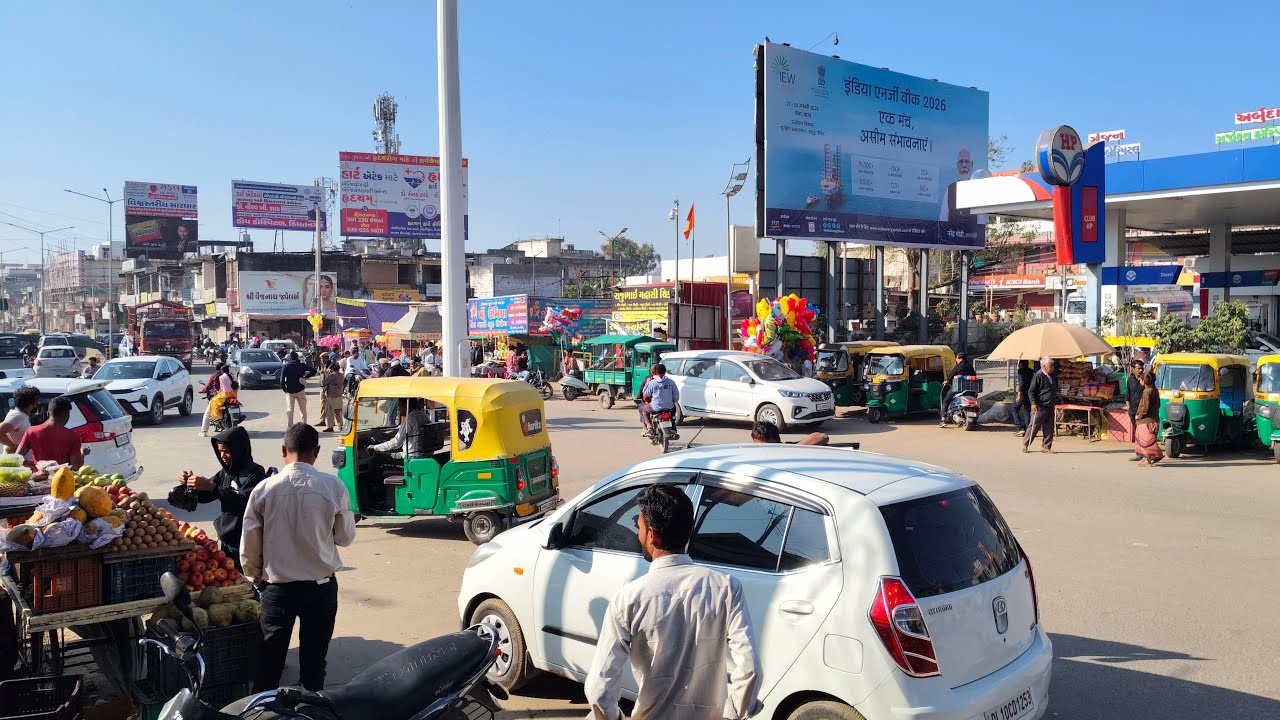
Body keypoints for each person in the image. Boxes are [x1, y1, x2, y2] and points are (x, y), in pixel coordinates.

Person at [584, 484, 761, 720]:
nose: (637, 534)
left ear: (652, 535)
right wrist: (731, 715)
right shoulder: (727, 588)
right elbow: (750, 669)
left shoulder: (629, 599)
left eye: (639, 526)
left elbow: (599, 690)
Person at [241, 423, 355, 693]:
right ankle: (311, 707)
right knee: (314, 663)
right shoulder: (333, 486)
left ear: (284, 451)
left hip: (277, 588)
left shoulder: (264, 489)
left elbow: (250, 542)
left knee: (269, 662)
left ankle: (264, 709)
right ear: (317, 451)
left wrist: (253, 573)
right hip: (320, 588)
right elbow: (345, 537)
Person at [179, 426, 269, 570]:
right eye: (220, 451)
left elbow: (244, 501)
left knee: (245, 579)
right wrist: (190, 484)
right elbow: (206, 496)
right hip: (227, 539)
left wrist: (212, 487)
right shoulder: (226, 472)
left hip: (245, 541)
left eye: (227, 451)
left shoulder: (255, 472)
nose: (223, 456)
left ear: (238, 450)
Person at [17, 397, 83, 470]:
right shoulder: (74, 436)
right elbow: (75, 467)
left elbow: (17, 457)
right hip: (62, 476)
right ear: (66, 415)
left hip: (39, 475)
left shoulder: (32, 431)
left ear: (48, 414)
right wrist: (82, 453)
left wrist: (32, 464)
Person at [1021, 357, 1058, 454]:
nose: (1052, 368)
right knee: (1034, 426)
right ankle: (1025, 444)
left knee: (1049, 427)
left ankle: (1046, 446)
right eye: (1050, 366)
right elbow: (1031, 391)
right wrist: (1033, 403)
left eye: (1052, 366)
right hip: (1040, 405)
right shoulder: (1038, 376)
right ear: (1044, 366)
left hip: (1049, 405)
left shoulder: (1051, 376)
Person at [0, 386, 40, 462]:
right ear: (34, 403)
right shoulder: (18, 416)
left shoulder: (19, 415)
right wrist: (12, 446)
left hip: (23, 462)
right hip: (20, 463)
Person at [638, 364, 679, 435]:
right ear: (665, 371)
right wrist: (672, 401)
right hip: (669, 407)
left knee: (642, 409)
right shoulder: (671, 382)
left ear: (655, 372)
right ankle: (673, 427)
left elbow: (645, 393)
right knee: (673, 411)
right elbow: (676, 396)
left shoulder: (652, 382)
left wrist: (648, 383)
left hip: (655, 407)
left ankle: (649, 426)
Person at [1133, 372, 1164, 467]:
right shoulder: (1155, 390)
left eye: (1141, 379)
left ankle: (1148, 460)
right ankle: (1147, 459)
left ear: (1144, 381)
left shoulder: (1146, 392)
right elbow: (1158, 405)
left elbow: (1145, 407)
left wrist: (1139, 415)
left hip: (1146, 421)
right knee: (1148, 441)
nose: (1139, 380)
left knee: (1145, 442)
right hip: (1154, 420)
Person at [940, 351, 977, 427]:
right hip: (970, 388)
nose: (956, 360)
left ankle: (943, 419)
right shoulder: (970, 366)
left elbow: (951, 375)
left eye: (956, 359)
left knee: (946, 400)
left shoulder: (958, 366)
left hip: (958, 388)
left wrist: (946, 381)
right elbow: (974, 376)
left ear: (960, 358)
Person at [280, 351, 316, 427]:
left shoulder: (286, 366)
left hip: (290, 391)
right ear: (297, 358)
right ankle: (304, 425)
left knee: (290, 409)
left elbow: (282, 380)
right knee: (303, 409)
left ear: (290, 358)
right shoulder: (302, 365)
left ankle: (290, 426)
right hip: (300, 390)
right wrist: (306, 377)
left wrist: (284, 389)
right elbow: (313, 371)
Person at [201, 364, 237, 438]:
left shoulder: (216, 376)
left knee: (208, 412)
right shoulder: (231, 375)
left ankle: (204, 431)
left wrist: (204, 390)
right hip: (232, 396)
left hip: (221, 397)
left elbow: (208, 386)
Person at [750, 420, 828, 446]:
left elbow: (822, 437)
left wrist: (795, 448)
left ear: (776, 441)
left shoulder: (787, 449)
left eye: (765, 446)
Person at [1126, 358, 1146, 448]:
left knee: (1143, 428)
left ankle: (1143, 445)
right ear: (1133, 369)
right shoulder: (1130, 380)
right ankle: (1138, 446)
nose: (1141, 370)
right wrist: (1128, 407)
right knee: (1136, 428)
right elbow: (1127, 394)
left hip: (1143, 409)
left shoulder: (1146, 379)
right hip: (1133, 409)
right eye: (1138, 368)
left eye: (1142, 368)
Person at [319, 363, 345, 432]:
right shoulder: (341, 375)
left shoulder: (332, 375)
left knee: (330, 412)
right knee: (338, 412)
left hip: (331, 396)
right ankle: (341, 426)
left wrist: (322, 375)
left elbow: (323, 383)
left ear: (332, 369)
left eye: (330, 369)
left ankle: (330, 427)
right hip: (339, 395)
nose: (329, 370)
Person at [1012, 360, 1034, 436]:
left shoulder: (1020, 371)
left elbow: (1021, 384)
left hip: (1023, 394)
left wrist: (1019, 395)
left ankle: (1020, 428)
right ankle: (1028, 429)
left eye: (1019, 363)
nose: (1018, 365)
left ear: (1022, 364)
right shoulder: (1031, 371)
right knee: (1027, 411)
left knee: (1014, 408)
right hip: (1030, 393)